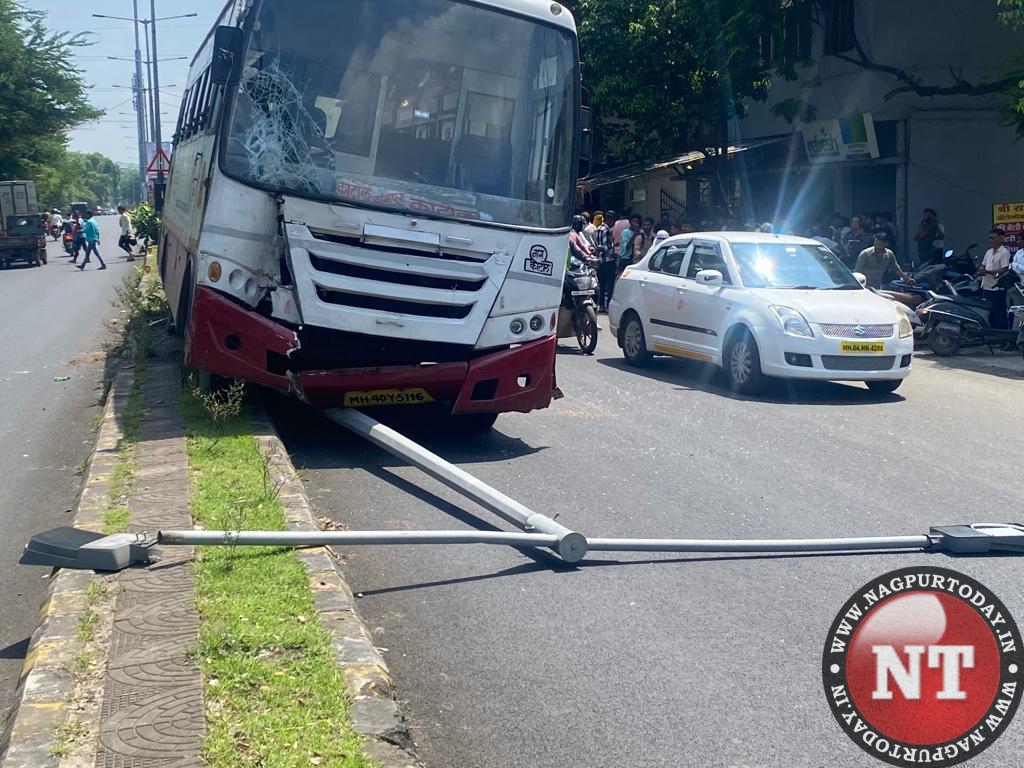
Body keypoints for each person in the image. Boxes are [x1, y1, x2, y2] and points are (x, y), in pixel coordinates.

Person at [979, 228, 1012, 331]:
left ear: (1001, 238)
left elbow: (1004, 269)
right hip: (986, 286)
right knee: (990, 313)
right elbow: (982, 265)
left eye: (993, 238)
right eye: (989, 238)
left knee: (999, 313)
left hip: (997, 288)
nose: (990, 240)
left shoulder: (1004, 252)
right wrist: (981, 269)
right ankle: (992, 334)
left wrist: (988, 272)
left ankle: (1002, 336)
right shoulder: (988, 252)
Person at [592, 212, 616, 311]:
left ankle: (601, 305)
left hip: (600, 260)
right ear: (609, 219)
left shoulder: (597, 229)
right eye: (613, 220)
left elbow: (597, 245)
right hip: (608, 260)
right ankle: (608, 306)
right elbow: (606, 246)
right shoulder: (605, 229)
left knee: (601, 284)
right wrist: (612, 254)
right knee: (609, 284)